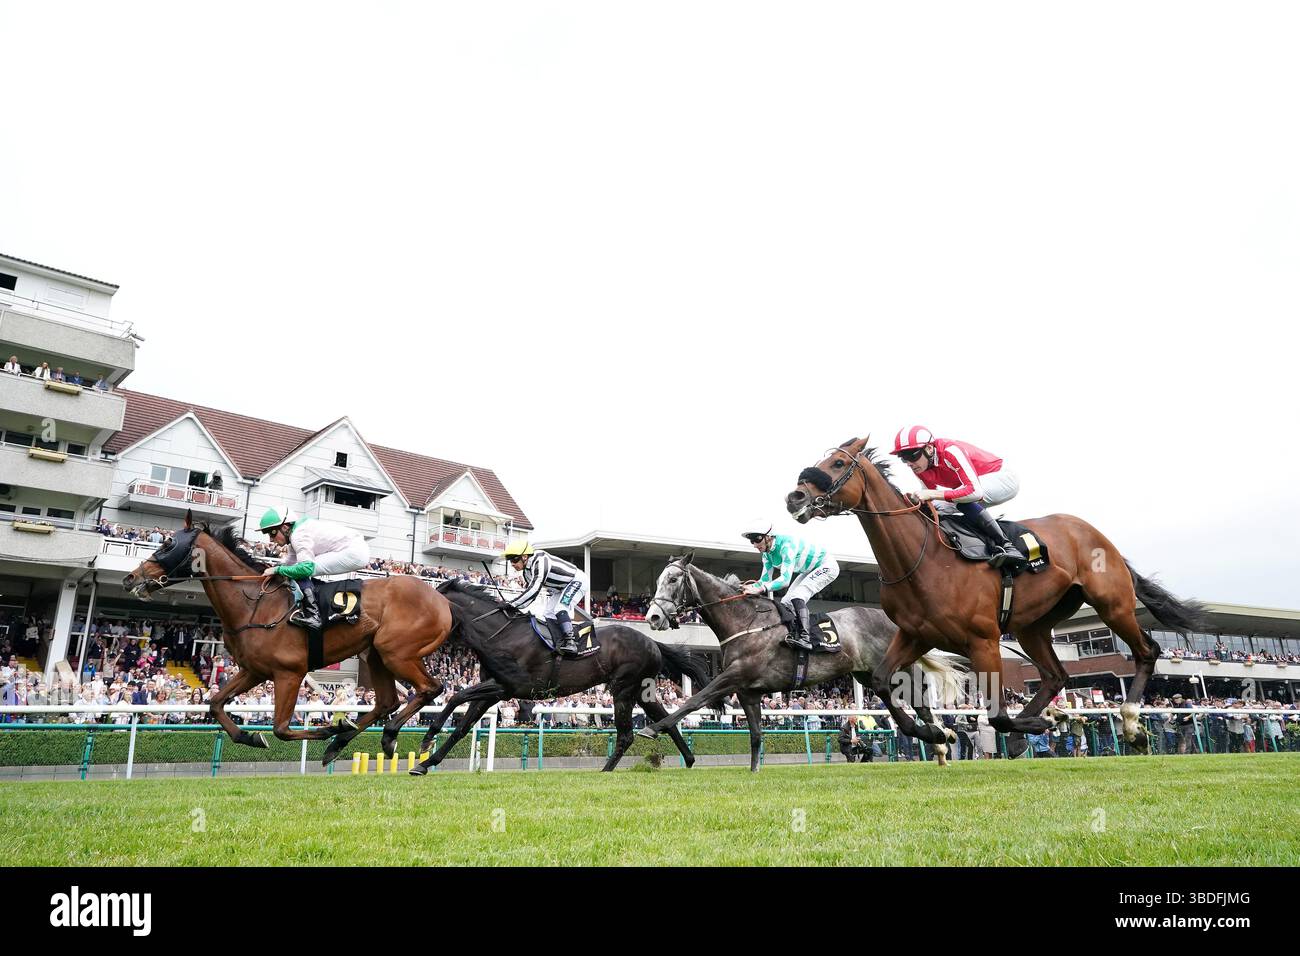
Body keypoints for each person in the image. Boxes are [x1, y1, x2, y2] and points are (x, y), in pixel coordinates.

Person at [891, 425, 1027, 571]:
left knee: (963, 500)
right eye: (903, 458)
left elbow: (974, 492)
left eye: (912, 455)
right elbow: (930, 500)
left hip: (1002, 478)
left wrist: (932, 494)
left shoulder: (950, 451)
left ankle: (1008, 546)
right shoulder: (920, 467)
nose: (909, 463)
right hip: (976, 486)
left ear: (929, 448)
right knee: (934, 508)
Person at [258, 506, 370, 630]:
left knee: (301, 571)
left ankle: (313, 615)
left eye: (272, 533)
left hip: (354, 552)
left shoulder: (298, 536)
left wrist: (277, 570)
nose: (271, 539)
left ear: (285, 527)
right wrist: (274, 569)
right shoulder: (295, 535)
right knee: (297, 569)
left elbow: (305, 569)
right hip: (354, 548)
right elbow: (288, 564)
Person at [740, 521, 840, 652]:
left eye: (757, 540)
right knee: (786, 602)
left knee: (798, 595)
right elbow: (764, 580)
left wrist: (761, 588)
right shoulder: (766, 554)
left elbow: (785, 581)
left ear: (769, 536)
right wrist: (747, 587)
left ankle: (806, 638)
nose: (754, 545)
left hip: (827, 566)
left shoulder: (786, 546)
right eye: (752, 541)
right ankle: (794, 634)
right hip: (809, 570)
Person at [501, 540, 586, 657]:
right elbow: (531, 595)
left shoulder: (540, 560)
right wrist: (512, 606)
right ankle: (559, 643)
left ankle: (571, 642)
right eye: (510, 561)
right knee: (548, 613)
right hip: (560, 588)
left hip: (576, 580)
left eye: (515, 559)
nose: (512, 564)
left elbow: (534, 590)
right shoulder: (527, 573)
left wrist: (512, 604)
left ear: (525, 557)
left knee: (560, 608)